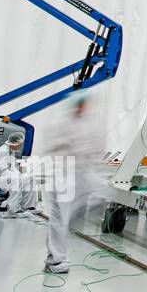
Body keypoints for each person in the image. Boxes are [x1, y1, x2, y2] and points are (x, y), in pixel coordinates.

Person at [42, 94, 105, 274]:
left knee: (63, 218)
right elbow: (52, 149)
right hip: (64, 174)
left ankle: (56, 258)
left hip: (77, 174)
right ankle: (56, 260)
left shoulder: (87, 125)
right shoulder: (61, 124)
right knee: (60, 218)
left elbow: (96, 149)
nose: (83, 108)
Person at [0, 132, 34, 217]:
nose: (21, 146)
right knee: (16, 180)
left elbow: (13, 169)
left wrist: (23, 176)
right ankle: (12, 210)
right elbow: (3, 171)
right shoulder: (2, 152)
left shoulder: (11, 151)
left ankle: (27, 207)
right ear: (15, 143)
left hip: (2, 177)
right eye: (20, 144)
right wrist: (19, 177)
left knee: (29, 179)